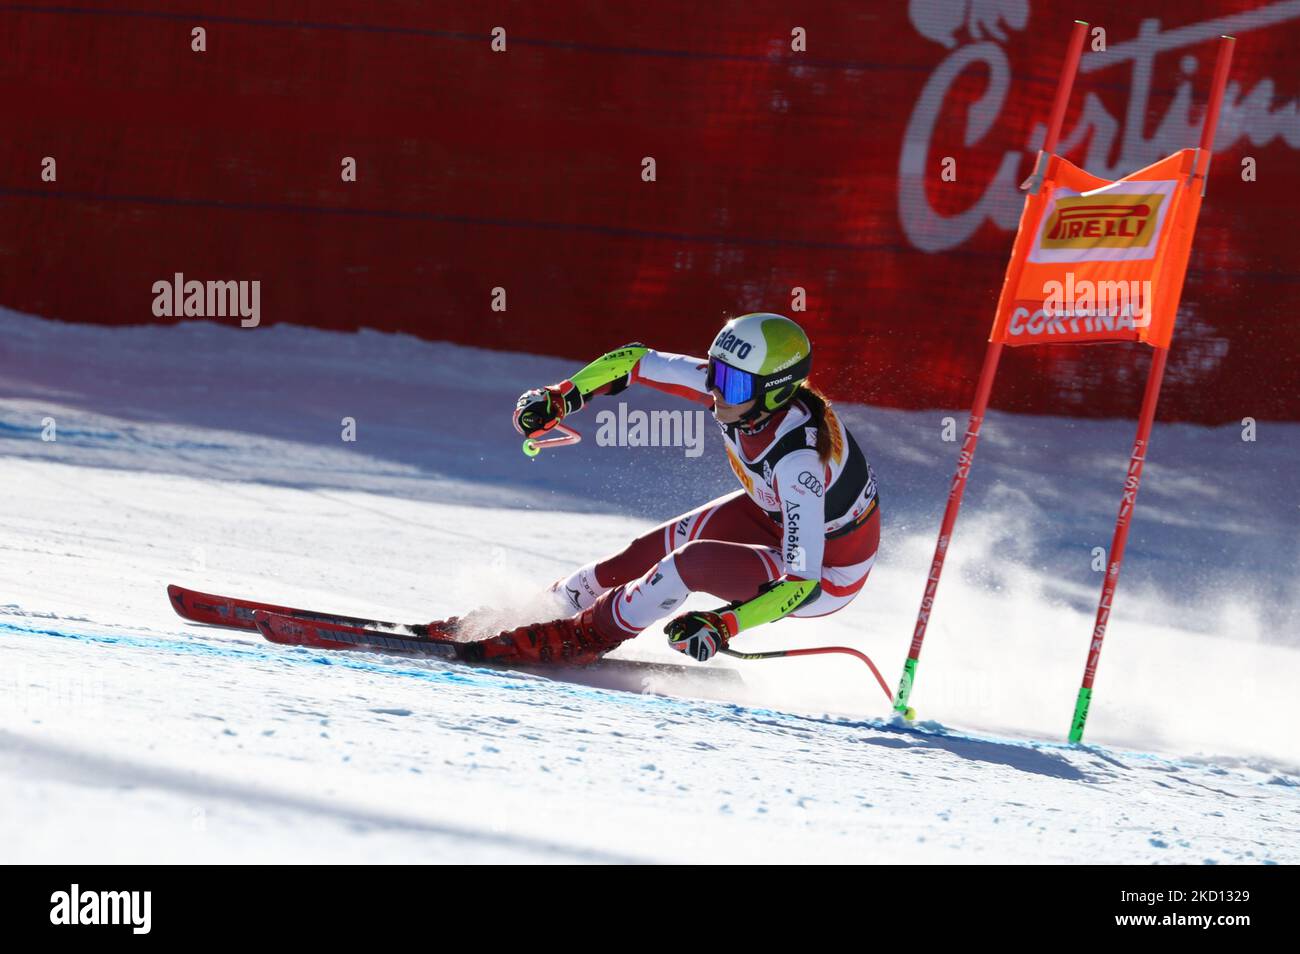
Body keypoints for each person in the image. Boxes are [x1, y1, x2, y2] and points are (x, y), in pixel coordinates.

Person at [451, 312, 880, 666]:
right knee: (642, 552)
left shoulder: (797, 463)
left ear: (774, 393)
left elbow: (800, 581)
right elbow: (636, 360)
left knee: (689, 563)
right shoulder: (739, 395)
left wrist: (723, 624)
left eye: (731, 384)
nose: (714, 390)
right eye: (715, 372)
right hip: (774, 514)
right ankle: (539, 613)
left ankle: (583, 636)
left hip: (827, 572)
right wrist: (563, 396)